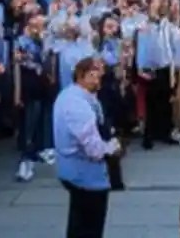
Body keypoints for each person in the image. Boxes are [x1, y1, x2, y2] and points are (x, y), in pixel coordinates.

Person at [53, 56, 121, 238]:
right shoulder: (78, 106)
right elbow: (94, 149)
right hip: (86, 175)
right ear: (82, 74)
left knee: (78, 224)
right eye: (95, 73)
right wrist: (112, 147)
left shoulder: (70, 95)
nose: (100, 76)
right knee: (90, 228)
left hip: (73, 172)